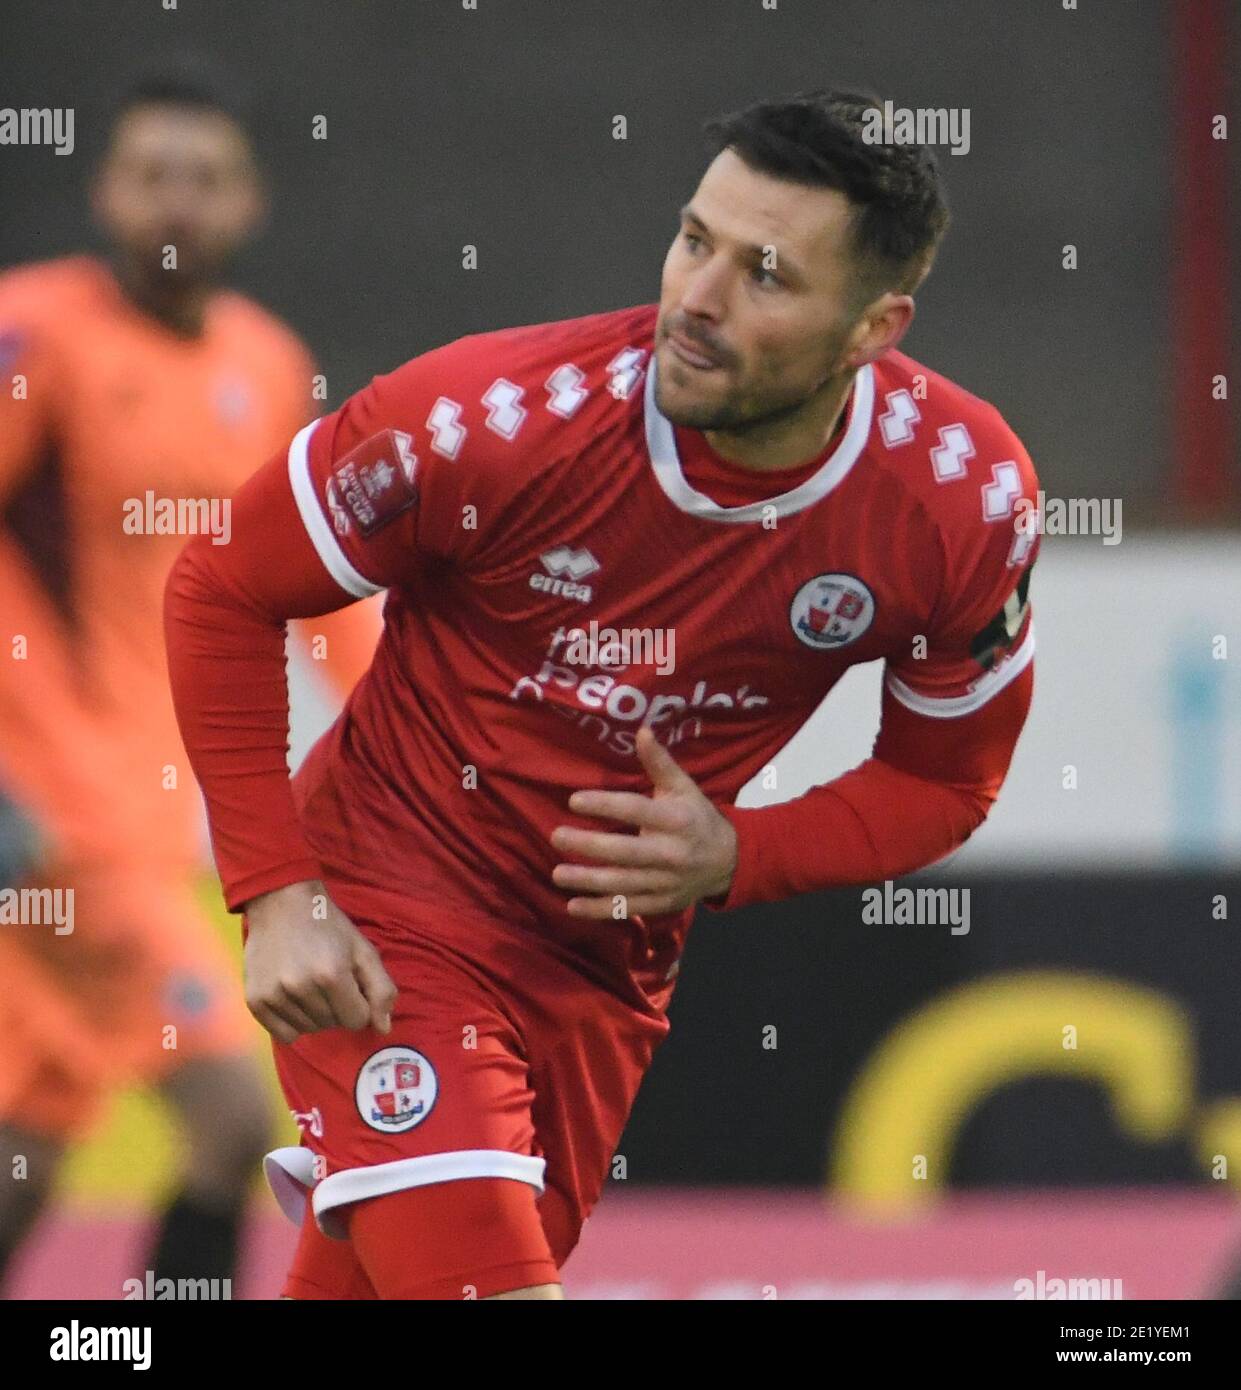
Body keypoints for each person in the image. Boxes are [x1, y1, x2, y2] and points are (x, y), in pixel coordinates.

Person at [164, 89, 1039, 1300]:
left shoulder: (959, 496)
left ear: (872, 327)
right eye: (694, 240)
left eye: (766, 275)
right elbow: (221, 583)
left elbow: (946, 779)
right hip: (385, 913)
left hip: (598, 972)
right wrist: (274, 894)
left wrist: (739, 849)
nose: (697, 297)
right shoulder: (488, 419)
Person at [0, 61, 380, 1290]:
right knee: (233, 1123)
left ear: (249, 203)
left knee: (29, 1136)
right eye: (152, 175)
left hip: (155, 821)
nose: (178, 204)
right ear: (107, 192)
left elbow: (310, 588)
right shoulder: (33, 336)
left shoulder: (265, 363)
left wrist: (429, 737)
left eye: (205, 180)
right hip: (50, 821)